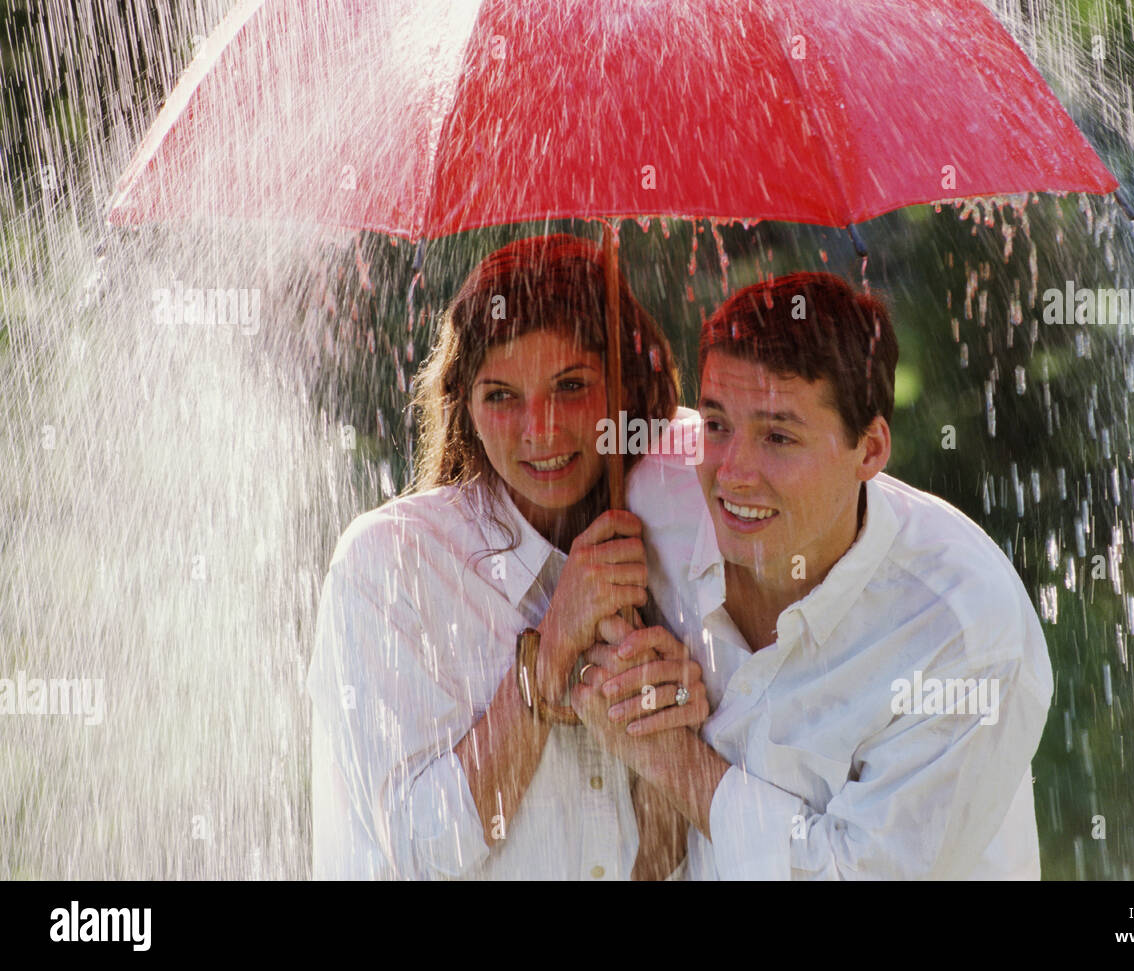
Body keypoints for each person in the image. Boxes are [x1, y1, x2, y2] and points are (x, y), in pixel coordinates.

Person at [572, 271, 1055, 879]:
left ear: (871, 450)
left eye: (778, 436)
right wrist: (577, 664)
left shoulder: (963, 630)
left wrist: (665, 753)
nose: (732, 475)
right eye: (716, 425)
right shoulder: (640, 496)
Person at [307, 233, 707, 880]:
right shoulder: (392, 565)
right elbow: (418, 852)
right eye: (501, 396)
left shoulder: (693, 524)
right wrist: (546, 658)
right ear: (463, 403)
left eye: (572, 385)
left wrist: (666, 765)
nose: (540, 429)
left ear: (628, 388)